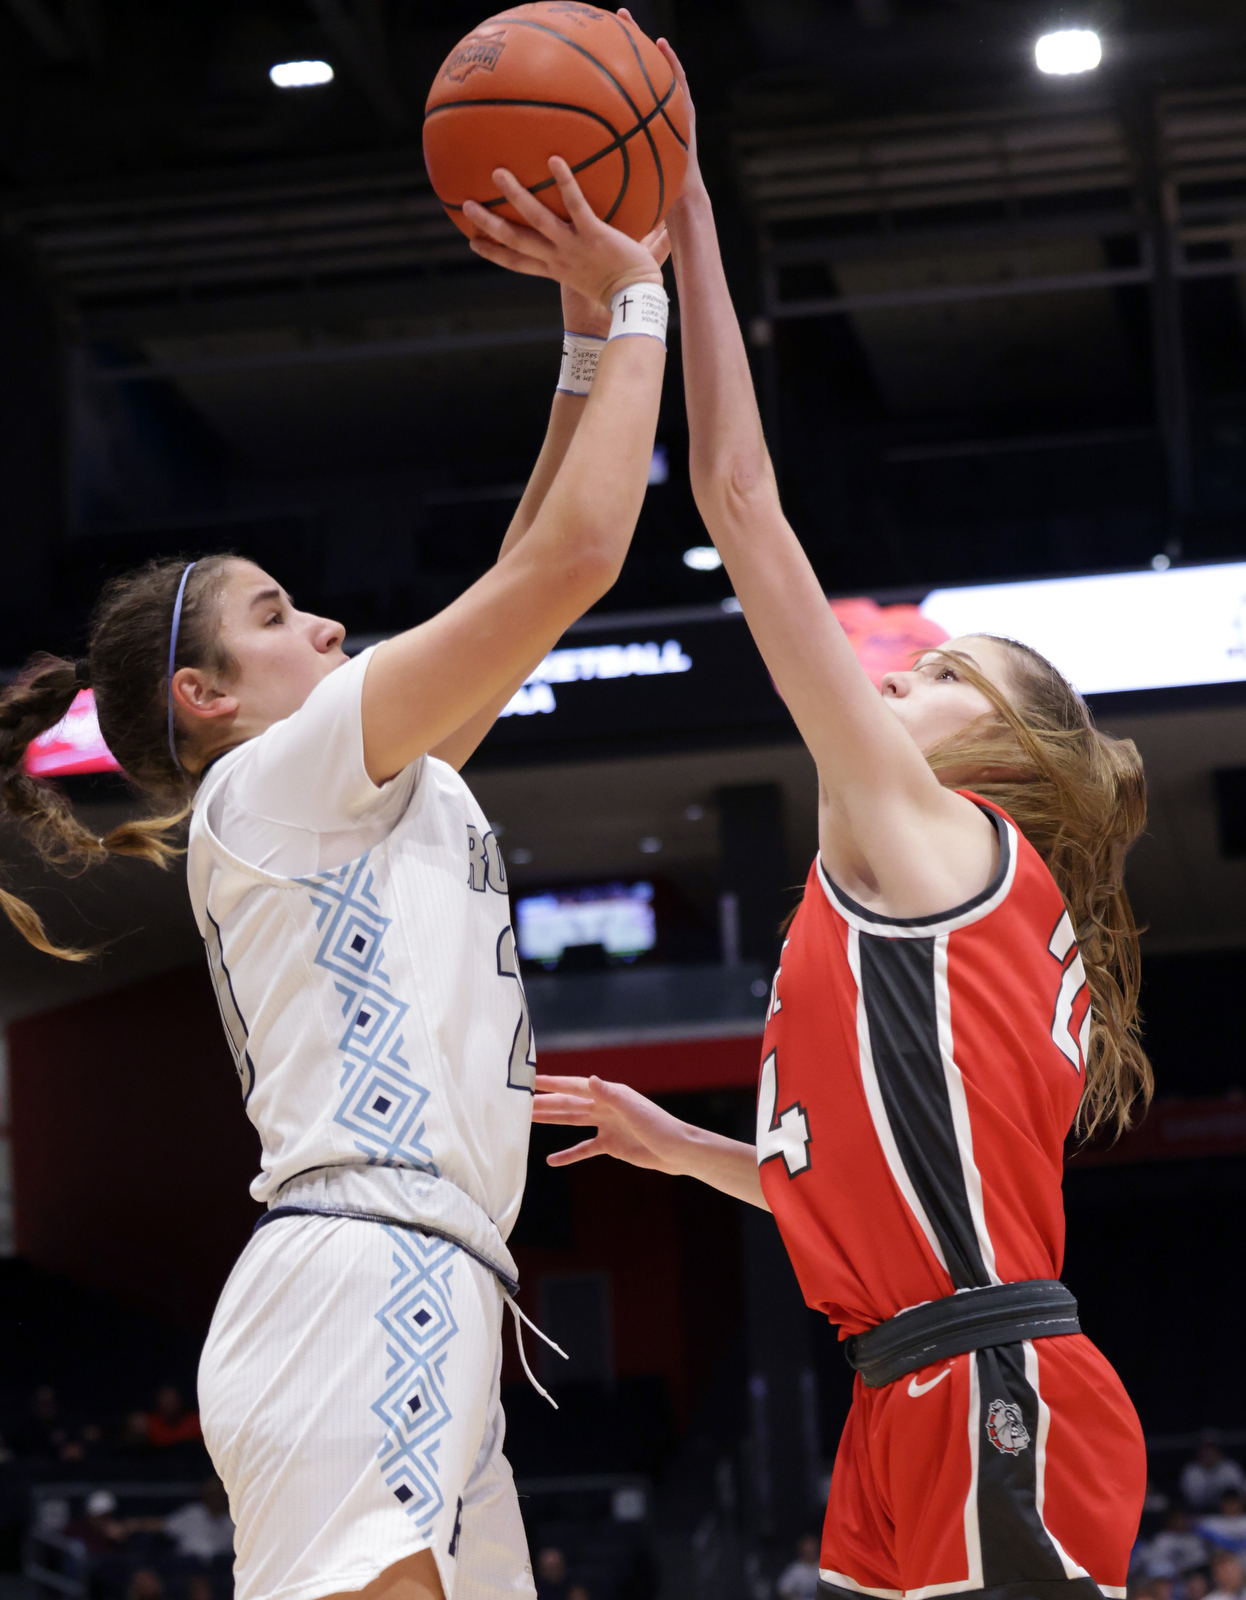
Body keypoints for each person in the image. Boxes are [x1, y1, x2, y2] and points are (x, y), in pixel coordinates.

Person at [533, 26, 1152, 1600]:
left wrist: (683, 227)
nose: (894, 673)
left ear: (1001, 750)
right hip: (906, 1381)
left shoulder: (934, 840)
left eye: (940, 672)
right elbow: (868, 1188)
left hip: (990, 1386)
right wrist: (687, 1150)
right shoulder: (926, 890)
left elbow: (739, 501)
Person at [0, 161, 671, 1600]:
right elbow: (576, 557)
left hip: (406, 1279)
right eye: (276, 615)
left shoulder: (336, 783)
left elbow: (521, 572)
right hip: (368, 1276)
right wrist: (635, 302)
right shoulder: (280, 775)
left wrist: (578, 337)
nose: (325, 625)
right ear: (206, 696)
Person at [1184, 1438, 1246, 1513]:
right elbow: (1190, 1500)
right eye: (1205, 1451)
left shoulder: (1230, 1469)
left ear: (1219, 1452)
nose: (1209, 1454)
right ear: (1199, 1453)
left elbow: (1241, 1493)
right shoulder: (1192, 1472)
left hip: (1231, 1513)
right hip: (1199, 1514)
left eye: (1211, 1451)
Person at [777, 1534, 823, 1600]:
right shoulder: (795, 1569)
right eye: (807, 1549)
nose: (810, 1552)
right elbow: (783, 1591)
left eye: (812, 1548)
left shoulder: (826, 1568)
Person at [1201, 1492, 1246, 1560]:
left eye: (1234, 1502)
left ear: (1241, 1503)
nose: (1231, 1506)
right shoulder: (1210, 1522)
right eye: (1228, 1503)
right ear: (1222, 1504)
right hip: (1221, 1562)